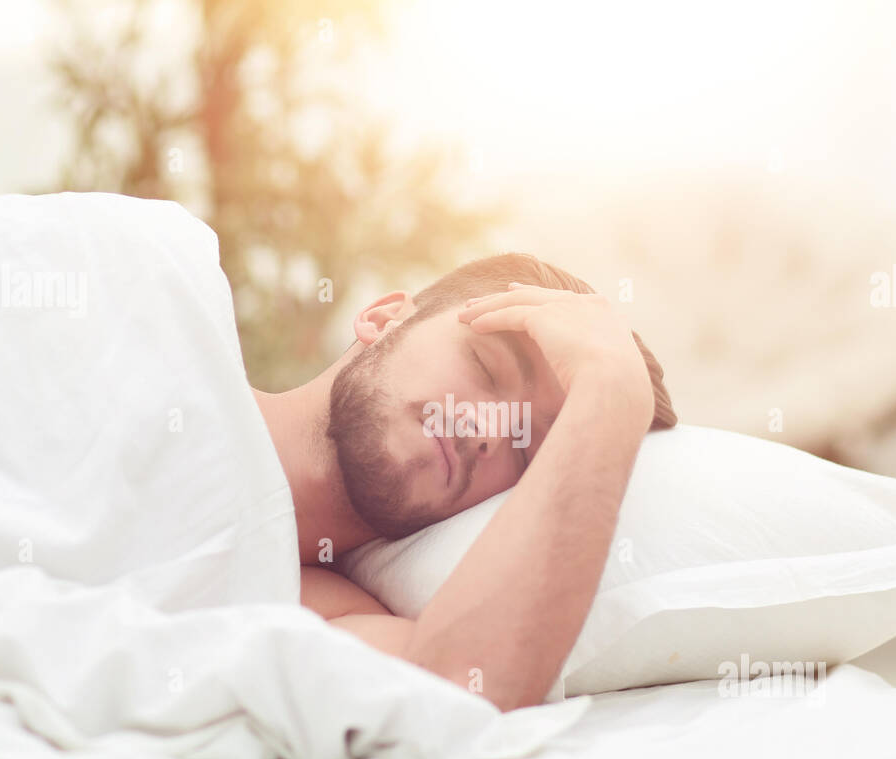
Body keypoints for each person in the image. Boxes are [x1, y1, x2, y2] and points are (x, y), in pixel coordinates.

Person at [253, 253, 677, 712]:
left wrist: (610, 396)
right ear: (383, 319)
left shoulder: (311, 614)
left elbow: (458, 694)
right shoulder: (174, 328)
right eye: (486, 368)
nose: (489, 430)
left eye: (524, 450)